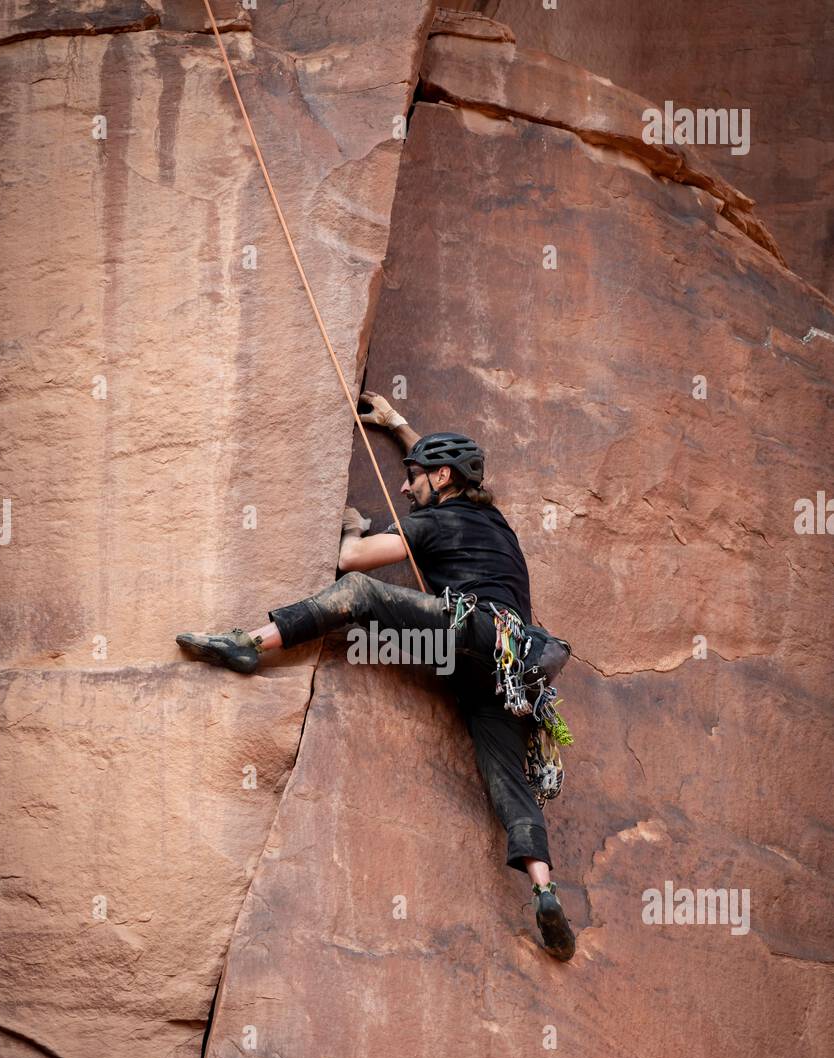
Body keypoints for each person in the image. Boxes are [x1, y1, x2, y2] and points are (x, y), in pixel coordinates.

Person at [176, 390, 576, 961]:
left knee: (361, 595)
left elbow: (353, 565)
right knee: (509, 781)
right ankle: (544, 889)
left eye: (414, 479)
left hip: (471, 632)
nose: (406, 487)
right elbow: (439, 466)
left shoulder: (435, 525)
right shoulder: (490, 517)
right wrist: (397, 425)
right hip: (508, 669)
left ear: (440, 480)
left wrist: (352, 528)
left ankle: (250, 645)